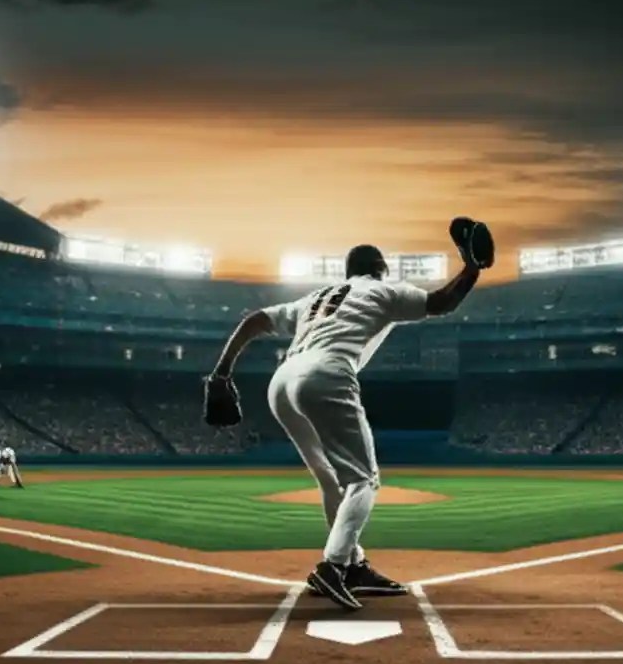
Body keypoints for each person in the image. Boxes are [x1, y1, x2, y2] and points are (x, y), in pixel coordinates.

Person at [204, 218, 493, 611]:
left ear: (347, 272)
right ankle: (333, 566)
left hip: (282, 382)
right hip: (328, 372)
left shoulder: (316, 297)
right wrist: (472, 268)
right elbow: (442, 302)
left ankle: (354, 565)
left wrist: (222, 373)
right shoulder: (383, 289)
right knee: (363, 480)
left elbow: (254, 320)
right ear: (380, 268)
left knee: (330, 481)